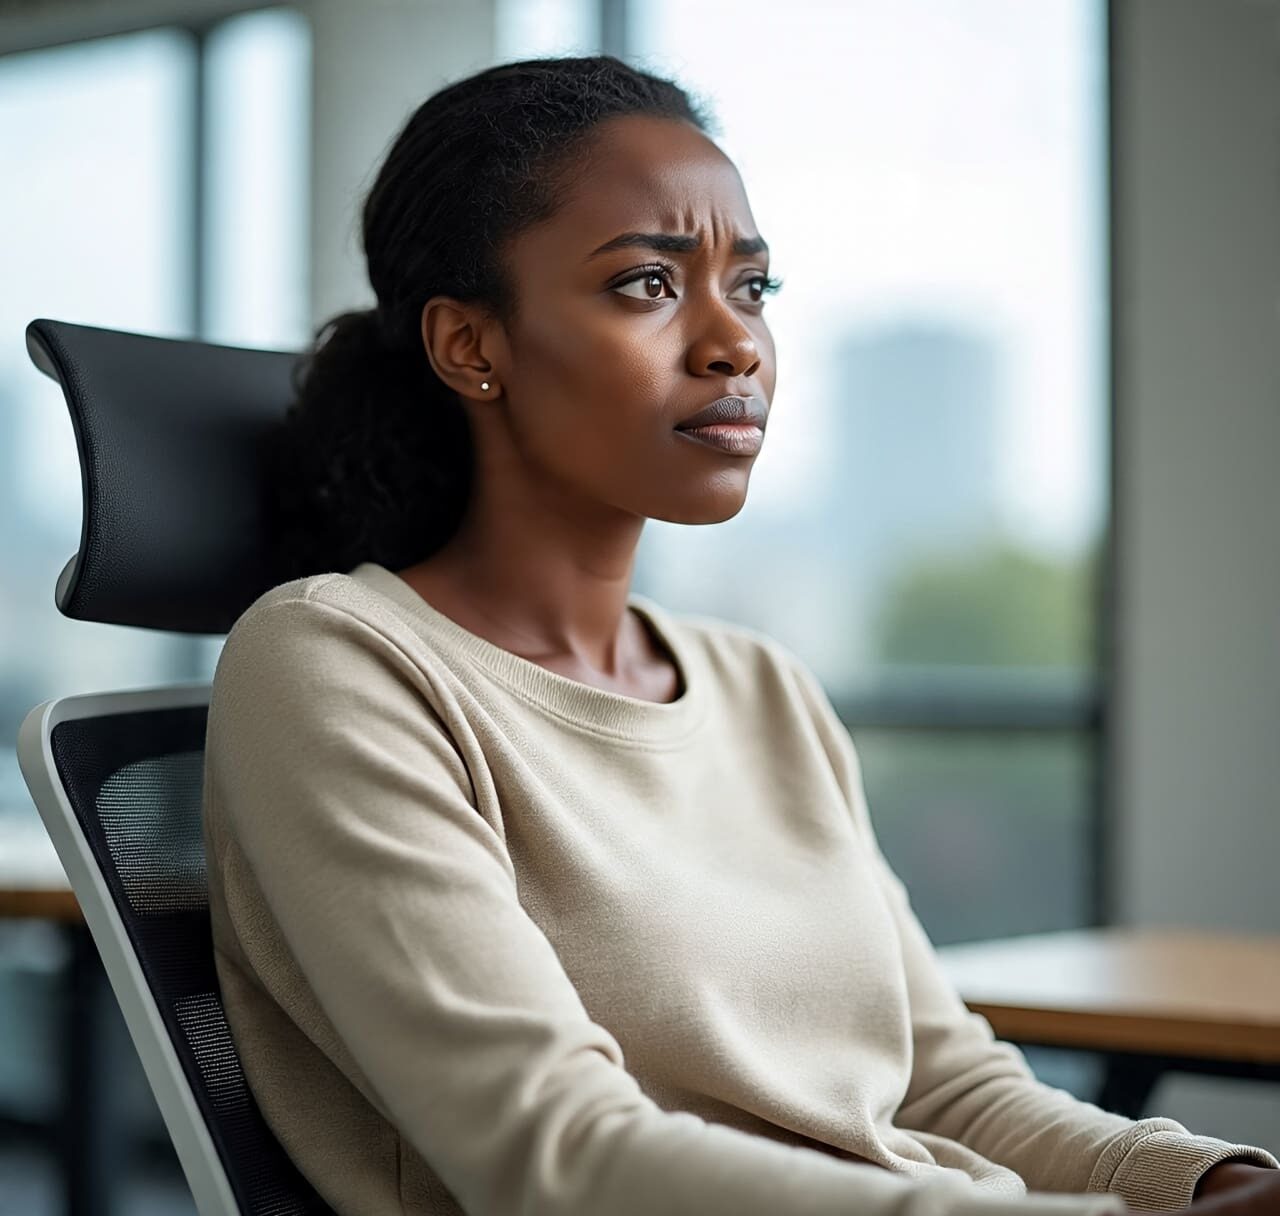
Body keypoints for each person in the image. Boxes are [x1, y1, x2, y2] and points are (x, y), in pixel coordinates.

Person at [201, 54, 1280, 1216]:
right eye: (646, 286)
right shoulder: (337, 664)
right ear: (472, 346)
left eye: (752, 288)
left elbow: (942, 1086)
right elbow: (550, 1155)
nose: (734, 344)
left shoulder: (759, 686)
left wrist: (1200, 1180)